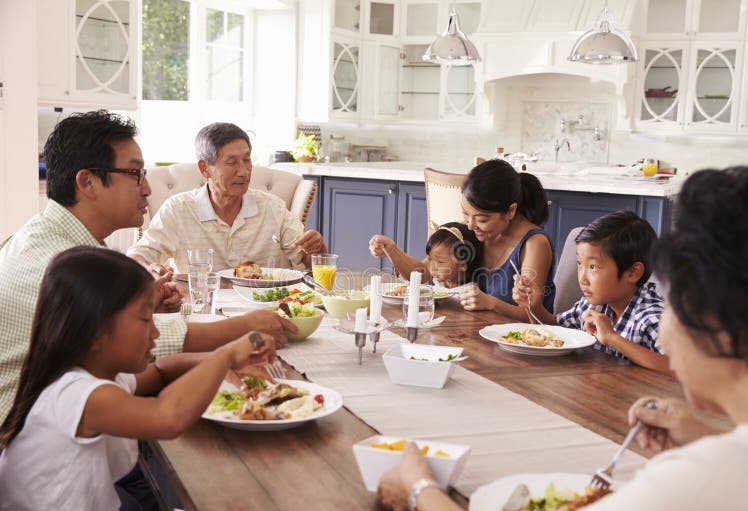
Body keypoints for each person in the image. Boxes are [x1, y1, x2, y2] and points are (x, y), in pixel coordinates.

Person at [375, 164, 748, 511]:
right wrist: (709, 434)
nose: (665, 328)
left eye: (675, 300)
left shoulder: (710, 477)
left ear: (729, 324)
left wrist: (420, 489)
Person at [0, 111, 294, 424]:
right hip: (31, 439)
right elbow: (130, 342)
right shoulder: (55, 266)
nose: (147, 189)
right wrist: (241, 328)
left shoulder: (50, 238)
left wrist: (142, 307)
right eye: (135, 174)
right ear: (87, 182)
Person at [0, 247, 276, 511]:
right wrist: (225, 356)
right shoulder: (76, 394)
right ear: (95, 332)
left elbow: (161, 371)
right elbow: (167, 417)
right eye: (146, 319)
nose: (155, 332)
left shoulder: (99, 378)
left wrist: (217, 363)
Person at [128, 122, 326, 273]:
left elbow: (309, 262)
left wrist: (318, 250)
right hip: (203, 310)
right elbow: (137, 257)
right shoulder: (177, 210)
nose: (244, 171)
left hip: (263, 309)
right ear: (204, 169)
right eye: (232, 162)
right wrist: (150, 269)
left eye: (247, 160)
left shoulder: (273, 208)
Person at [371, 160, 555, 321]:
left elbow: (533, 316)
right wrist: (392, 250)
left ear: (511, 211)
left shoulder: (534, 244)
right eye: (466, 214)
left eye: (482, 219)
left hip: (520, 342)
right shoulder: (471, 231)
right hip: (474, 333)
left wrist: (492, 303)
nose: (471, 225)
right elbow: (424, 272)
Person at [514, 210, 668, 372]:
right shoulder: (592, 305)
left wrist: (612, 339)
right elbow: (556, 330)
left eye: (593, 267)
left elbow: (680, 368)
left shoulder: (653, 317)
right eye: (579, 263)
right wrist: (534, 306)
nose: (582, 279)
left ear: (633, 272)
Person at [368, 222, 481, 288]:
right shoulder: (441, 282)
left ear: (463, 264)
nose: (432, 268)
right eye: (430, 259)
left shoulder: (469, 291)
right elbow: (420, 273)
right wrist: (392, 250)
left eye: (440, 262)